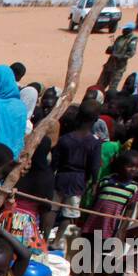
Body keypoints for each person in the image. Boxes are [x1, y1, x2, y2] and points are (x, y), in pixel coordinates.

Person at [70, 149, 138, 276]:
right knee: (87, 248)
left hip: (109, 225)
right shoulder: (106, 181)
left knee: (97, 251)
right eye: (129, 166)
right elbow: (95, 201)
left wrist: (122, 230)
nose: (133, 170)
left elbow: (129, 211)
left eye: (136, 167)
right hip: (94, 221)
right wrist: (85, 218)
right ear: (120, 166)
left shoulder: (133, 188)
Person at [53, 102, 105, 243]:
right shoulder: (94, 143)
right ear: (95, 120)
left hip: (61, 177)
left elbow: (55, 161)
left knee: (52, 209)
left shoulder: (65, 139)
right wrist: (94, 183)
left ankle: (45, 238)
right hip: (78, 180)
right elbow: (94, 166)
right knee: (69, 213)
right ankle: (57, 241)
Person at [97, 25, 138, 92]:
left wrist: (120, 56)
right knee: (100, 85)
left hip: (118, 67)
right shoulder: (120, 38)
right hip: (109, 64)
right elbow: (114, 48)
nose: (123, 31)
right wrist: (110, 49)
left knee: (112, 87)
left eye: (125, 29)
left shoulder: (132, 39)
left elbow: (131, 53)